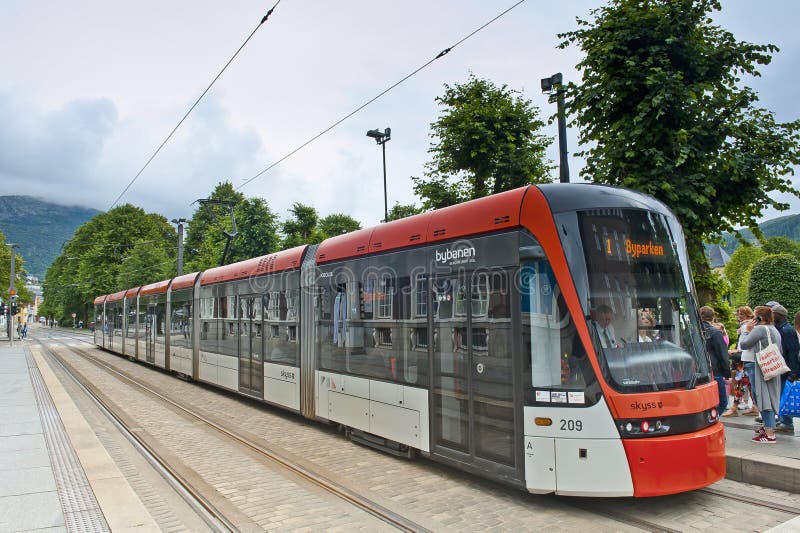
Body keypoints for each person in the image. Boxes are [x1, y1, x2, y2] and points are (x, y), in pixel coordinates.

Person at [739, 305, 783, 443]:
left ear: (759, 318)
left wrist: (746, 331)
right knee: (767, 396)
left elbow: (744, 344)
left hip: (762, 369)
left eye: (754, 317)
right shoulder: (774, 329)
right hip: (772, 368)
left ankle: (769, 433)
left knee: (764, 397)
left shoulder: (759, 329)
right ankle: (768, 427)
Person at [766, 301, 800, 434]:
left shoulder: (787, 330)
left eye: (773, 314)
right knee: (781, 395)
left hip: (787, 370)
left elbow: (793, 352)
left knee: (785, 395)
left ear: (779, 315)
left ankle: (787, 423)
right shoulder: (782, 329)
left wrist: (793, 372)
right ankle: (783, 419)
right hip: (783, 368)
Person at [724, 306, 760, 417]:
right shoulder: (747, 326)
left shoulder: (746, 327)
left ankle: (734, 407)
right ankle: (755, 406)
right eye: (738, 314)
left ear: (749, 315)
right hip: (747, 358)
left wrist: (735, 350)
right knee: (748, 384)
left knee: (741, 382)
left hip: (746, 359)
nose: (739, 316)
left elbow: (744, 344)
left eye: (742, 314)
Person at [700, 306, 731, 416]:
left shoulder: (694, 331)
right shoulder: (715, 332)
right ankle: (712, 419)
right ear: (712, 318)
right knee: (722, 401)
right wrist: (727, 373)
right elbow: (722, 354)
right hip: (715, 370)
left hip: (698, 371)